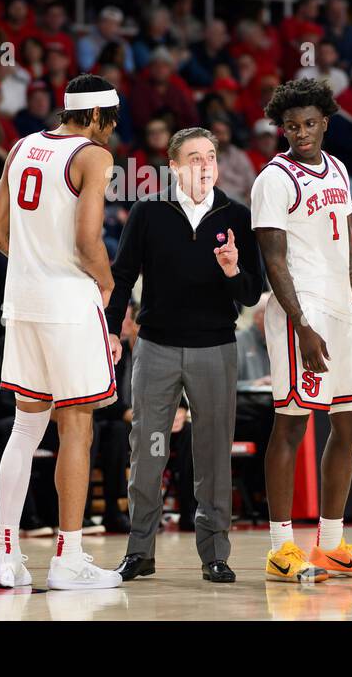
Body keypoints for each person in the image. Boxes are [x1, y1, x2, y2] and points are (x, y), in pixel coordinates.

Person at [105, 126, 262, 584]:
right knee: (148, 452)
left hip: (215, 348)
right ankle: (140, 552)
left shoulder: (237, 215)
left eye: (210, 157)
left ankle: (215, 553)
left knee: (213, 456)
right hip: (156, 347)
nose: (204, 166)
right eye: (193, 158)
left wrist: (233, 270)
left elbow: (252, 293)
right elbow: (122, 274)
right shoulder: (149, 211)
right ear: (173, 166)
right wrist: (114, 331)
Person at [0, 73, 124, 591]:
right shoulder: (91, 156)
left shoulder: (22, 146)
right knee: (76, 428)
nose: (109, 133)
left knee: (25, 429)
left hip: (21, 306)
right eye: (107, 122)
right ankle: (68, 558)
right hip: (69, 306)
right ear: (92, 116)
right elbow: (89, 240)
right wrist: (108, 283)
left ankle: (6, 557)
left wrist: (34, 268)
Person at [250, 78, 352, 583]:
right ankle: (281, 548)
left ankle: (330, 544)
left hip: (340, 311)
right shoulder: (273, 178)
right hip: (298, 314)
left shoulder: (340, 170)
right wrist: (301, 324)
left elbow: (346, 243)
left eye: (308, 124)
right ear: (281, 128)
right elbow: (273, 258)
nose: (300, 133)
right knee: (292, 423)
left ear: (325, 122)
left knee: (351, 423)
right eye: (291, 125)